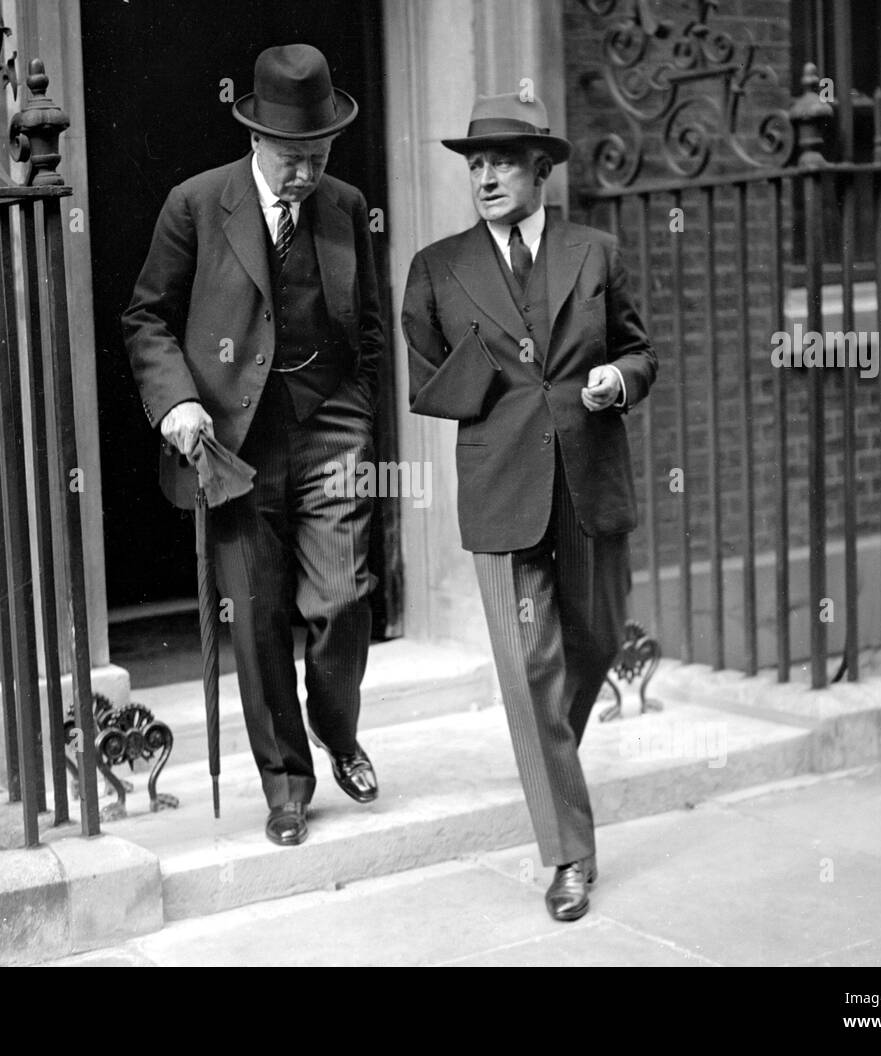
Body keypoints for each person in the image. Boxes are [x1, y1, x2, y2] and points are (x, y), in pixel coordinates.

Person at [401, 92, 657, 921]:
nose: (484, 177)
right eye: (474, 164)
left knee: (595, 641)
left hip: (592, 480)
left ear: (541, 168)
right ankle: (569, 856)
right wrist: (488, 363)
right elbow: (427, 383)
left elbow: (638, 350)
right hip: (503, 489)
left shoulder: (596, 251)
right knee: (530, 669)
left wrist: (618, 381)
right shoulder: (437, 268)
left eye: (502, 162)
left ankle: (549, 762)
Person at [123, 43, 383, 847]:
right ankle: (287, 783)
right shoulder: (197, 205)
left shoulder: (344, 206)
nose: (306, 172)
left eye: (319, 154)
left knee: (341, 600)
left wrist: (360, 414)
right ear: (256, 141)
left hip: (329, 426)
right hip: (230, 442)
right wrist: (176, 404)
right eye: (293, 157)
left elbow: (368, 331)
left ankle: (337, 731)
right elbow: (147, 318)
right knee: (259, 617)